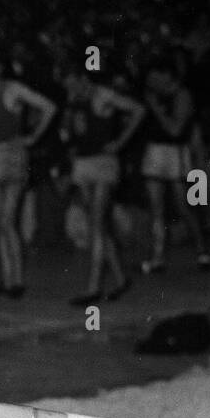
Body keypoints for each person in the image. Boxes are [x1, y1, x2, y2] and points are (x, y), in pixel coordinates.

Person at [0, 52, 55, 298]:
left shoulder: (13, 88)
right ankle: (9, 278)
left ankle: (15, 279)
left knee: (7, 220)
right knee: (1, 221)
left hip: (12, 157)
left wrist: (34, 136)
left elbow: (49, 107)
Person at [62, 71, 145, 304]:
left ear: (84, 79)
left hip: (103, 163)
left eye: (74, 84)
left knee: (97, 224)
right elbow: (74, 130)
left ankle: (93, 287)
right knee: (95, 223)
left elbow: (139, 110)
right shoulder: (74, 97)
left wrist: (120, 142)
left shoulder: (103, 95)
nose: (72, 90)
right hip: (83, 162)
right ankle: (120, 279)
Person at [140, 62, 210, 274]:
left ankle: (202, 251)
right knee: (156, 208)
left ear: (167, 75)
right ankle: (158, 257)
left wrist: (155, 108)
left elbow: (175, 129)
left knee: (183, 206)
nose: (152, 83)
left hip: (175, 153)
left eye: (156, 79)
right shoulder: (152, 94)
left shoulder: (182, 95)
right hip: (154, 151)